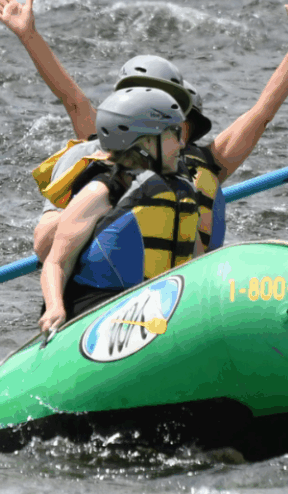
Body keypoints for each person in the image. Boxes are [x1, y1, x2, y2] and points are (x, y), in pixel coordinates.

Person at [0, 0, 288, 255]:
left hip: (185, 288)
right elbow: (73, 100)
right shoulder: (104, 151)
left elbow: (261, 114)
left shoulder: (208, 162)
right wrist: (28, 35)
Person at [39, 87, 193, 333]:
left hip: (150, 315)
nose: (182, 143)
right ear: (143, 141)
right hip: (94, 318)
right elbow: (56, 262)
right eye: (174, 133)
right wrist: (55, 307)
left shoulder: (179, 190)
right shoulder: (99, 193)